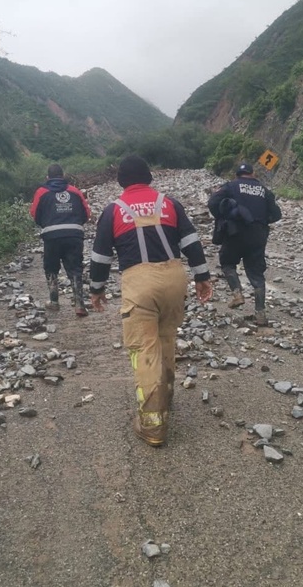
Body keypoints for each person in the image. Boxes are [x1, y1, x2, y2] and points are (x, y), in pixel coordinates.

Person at [88, 155, 213, 447]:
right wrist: (202, 277)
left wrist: (96, 290)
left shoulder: (114, 211)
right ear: (149, 178)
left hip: (139, 281)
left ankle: (153, 425)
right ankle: (165, 400)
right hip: (173, 277)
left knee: (144, 349)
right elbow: (191, 242)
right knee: (167, 339)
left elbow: (100, 256)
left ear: (120, 182)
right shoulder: (168, 204)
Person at [207, 162, 282, 326]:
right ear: (253, 173)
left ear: (237, 175)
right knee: (256, 272)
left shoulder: (230, 186)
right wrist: (262, 221)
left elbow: (213, 203)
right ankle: (260, 313)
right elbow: (276, 214)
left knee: (227, 263)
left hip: (234, 233)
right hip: (258, 235)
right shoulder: (264, 190)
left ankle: (237, 293)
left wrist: (223, 217)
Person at [30, 163, 92, 316]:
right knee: (75, 268)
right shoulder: (75, 191)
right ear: (63, 176)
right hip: (74, 234)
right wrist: (75, 225)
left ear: (47, 177)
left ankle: (54, 301)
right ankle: (80, 305)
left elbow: (34, 213)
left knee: (51, 267)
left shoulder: (41, 192)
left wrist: (46, 224)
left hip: (51, 235)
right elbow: (86, 213)